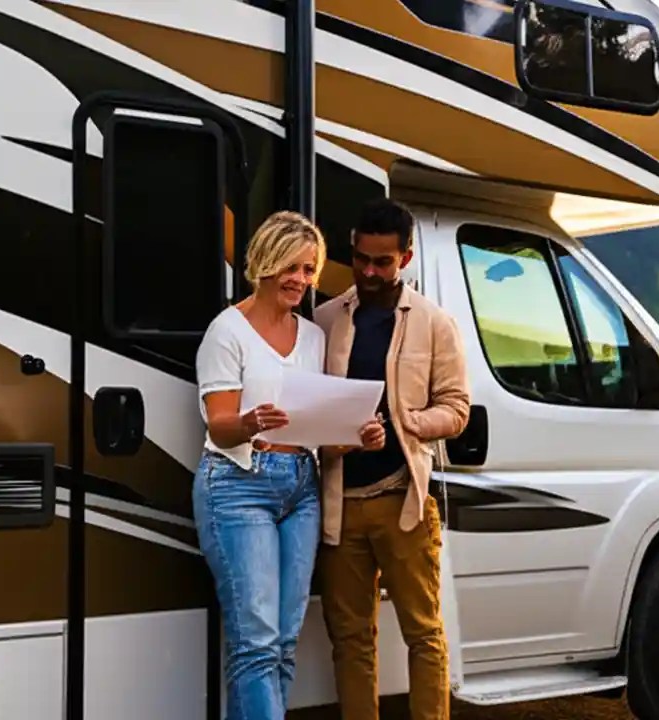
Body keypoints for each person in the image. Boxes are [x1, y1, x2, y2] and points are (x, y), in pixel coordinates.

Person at [193, 210, 385, 719]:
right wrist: (251, 421)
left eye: (309, 270)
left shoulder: (313, 337)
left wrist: (358, 436)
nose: (301, 280)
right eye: (292, 267)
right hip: (238, 483)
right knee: (255, 641)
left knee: (280, 643)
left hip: (301, 487)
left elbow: (319, 433)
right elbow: (218, 426)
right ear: (264, 262)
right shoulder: (226, 331)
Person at [314, 198, 470, 720]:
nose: (369, 271)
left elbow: (457, 408)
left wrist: (407, 421)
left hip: (402, 501)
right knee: (351, 641)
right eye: (361, 259)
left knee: (424, 634)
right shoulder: (326, 318)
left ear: (405, 258)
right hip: (338, 507)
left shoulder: (434, 323)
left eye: (382, 262)